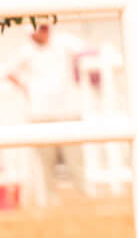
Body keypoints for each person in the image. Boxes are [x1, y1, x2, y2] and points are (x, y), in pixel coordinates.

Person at [6, 22, 94, 200]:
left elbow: (88, 52)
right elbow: (9, 72)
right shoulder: (26, 51)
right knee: (45, 160)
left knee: (75, 157)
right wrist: (27, 90)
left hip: (68, 110)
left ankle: (84, 194)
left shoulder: (65, 42)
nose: (43, 32)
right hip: (41, 112)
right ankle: (48, 198)